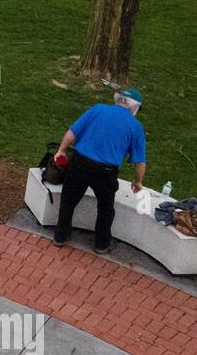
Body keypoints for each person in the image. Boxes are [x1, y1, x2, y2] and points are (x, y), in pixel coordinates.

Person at [52, 89, 147, 254]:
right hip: (105, 172)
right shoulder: (135, 127)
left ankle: (60, 236)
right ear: (134, 107)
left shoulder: (97, 109)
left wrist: (61, 150)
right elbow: (140, 162)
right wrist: (137, 181)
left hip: (79, 162)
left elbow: (72, 132)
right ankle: (101, 244)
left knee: (68, 200)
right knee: (105, 208)